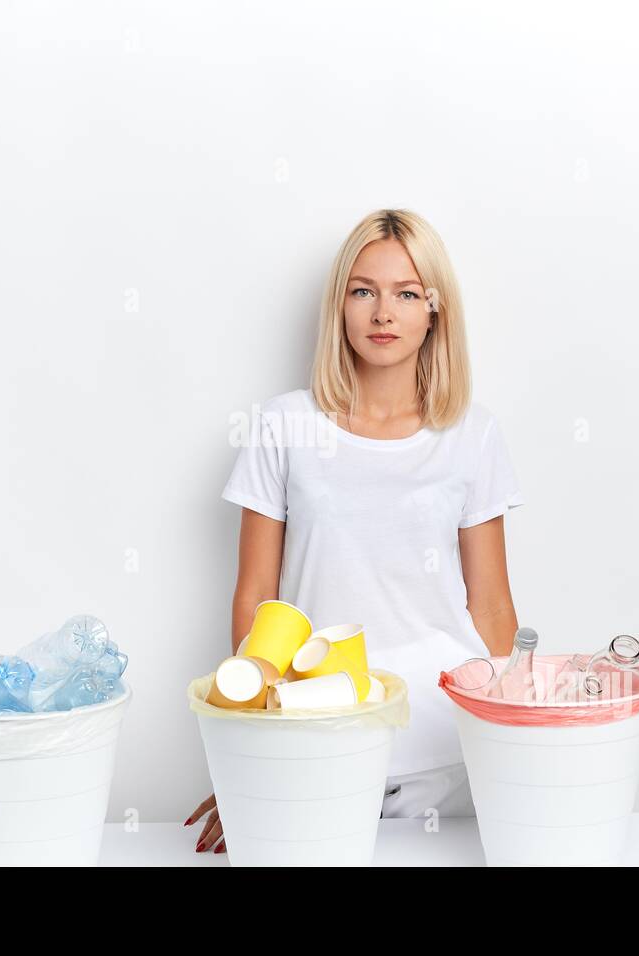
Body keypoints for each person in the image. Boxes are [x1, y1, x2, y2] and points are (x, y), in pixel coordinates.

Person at [187, 209, 524, 854]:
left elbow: (491, 605)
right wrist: (254, 759)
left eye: (406, 294)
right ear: (340, 305)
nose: (383, 313)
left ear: (435, 311)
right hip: (320, 742)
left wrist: (513, 753)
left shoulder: (473, 435)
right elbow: (257, 595)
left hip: (447, 752)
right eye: (363, 290)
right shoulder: (283, 426)